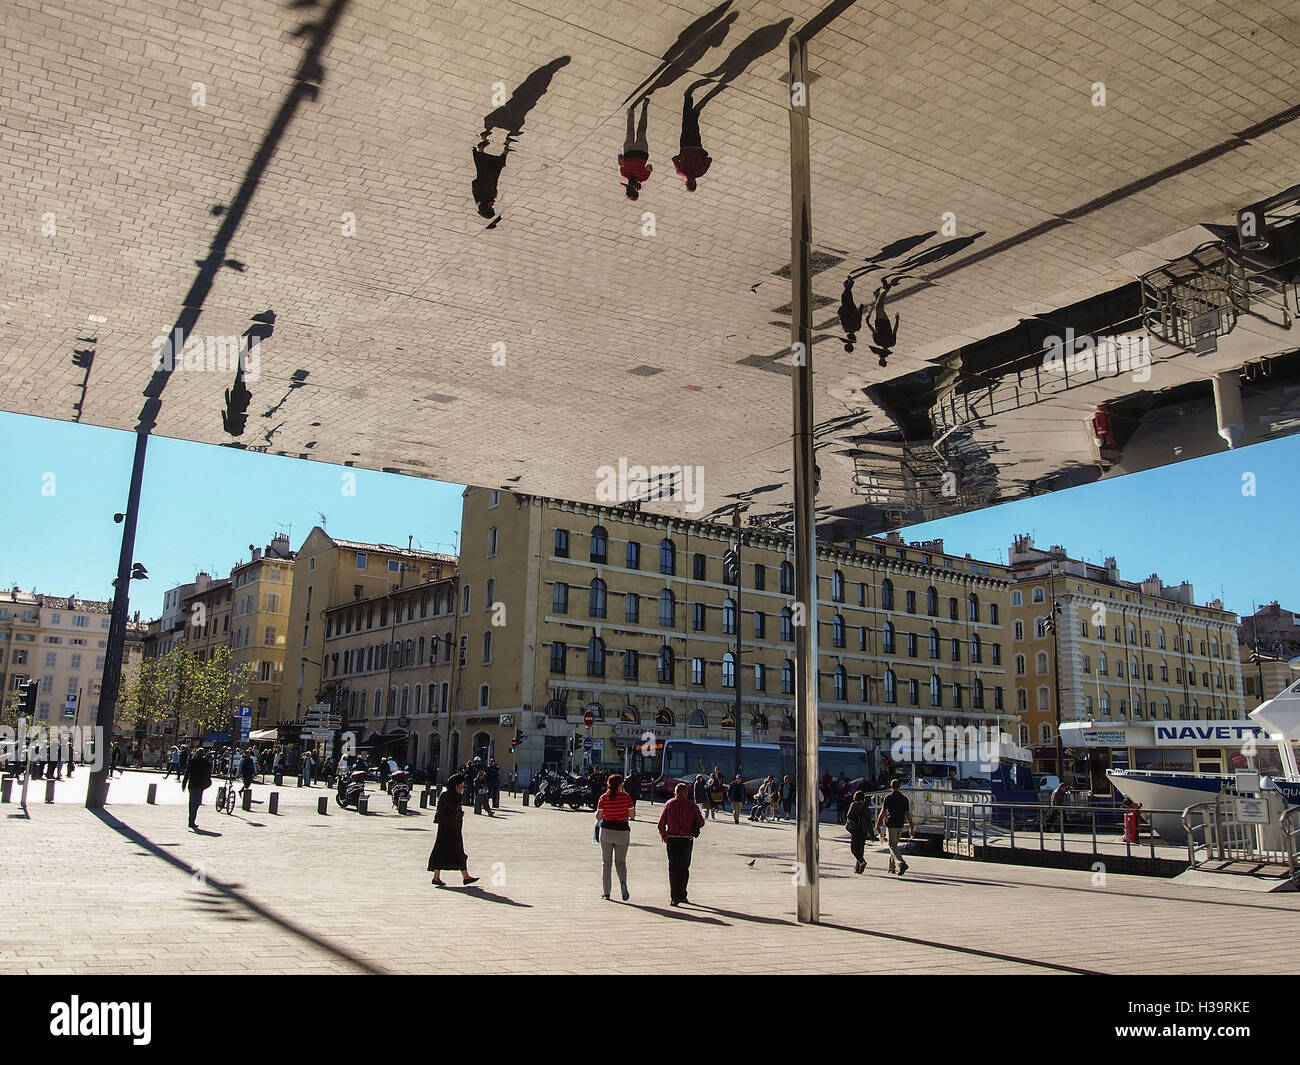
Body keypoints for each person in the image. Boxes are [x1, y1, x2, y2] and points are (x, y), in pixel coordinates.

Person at [657, 781, 704, 906]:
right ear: (687, 792)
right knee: (684, 868)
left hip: (672, 839)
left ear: (675, 793)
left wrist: (664, 835)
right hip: (686, 840)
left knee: (673, 868)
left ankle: (674, 897)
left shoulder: (669, 804)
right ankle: (682, 894)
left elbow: (661, 824)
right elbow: (701, 822)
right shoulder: (692, 805)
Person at [428, 773, 479, 887]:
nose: (461, 789)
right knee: (447, 851)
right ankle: (462, 877)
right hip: (447, 828)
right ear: (455, 786)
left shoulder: (450, 794)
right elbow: (452, 808)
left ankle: (463, 877)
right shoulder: (447, 794)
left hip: (452, 827)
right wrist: (459, 796)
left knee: (452, 851)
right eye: (460, 786)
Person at [596, 772, 636, 901]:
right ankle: (623, 883)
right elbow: (632, 815)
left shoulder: (603, 798)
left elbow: (598, 816)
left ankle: (607, 893)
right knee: (621, 862)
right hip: (622, 831)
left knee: (606, 863)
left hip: (607, 831)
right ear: (620, 785)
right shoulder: (626, 797)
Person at [672, 87, 711, 191]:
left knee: (694, 127)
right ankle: (688, 97)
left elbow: (709, 159)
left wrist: (700, 157)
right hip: (685, 145)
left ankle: (694, 113)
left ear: (695, 183)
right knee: (685, 122)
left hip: (696, 145)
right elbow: (674, 159)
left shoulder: (700, 172)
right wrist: (681, 156)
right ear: (686, 183)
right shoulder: (681, 172)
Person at [875, 779, 914, 875]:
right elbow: (908, 814)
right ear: (899, 787)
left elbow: (883, 811)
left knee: (892, 845)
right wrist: (911, 827)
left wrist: (878, 823)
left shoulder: (888, 797)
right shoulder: (904, 799)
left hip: (891, 824)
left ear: (891, 787)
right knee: (894, 846)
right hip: (900, 825)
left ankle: (901, 863)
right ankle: (891, 867)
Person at [618, 98, 652, 199]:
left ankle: (645, 107)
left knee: (642, 130)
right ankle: (631, 111)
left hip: (642, 152)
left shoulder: (643, 177)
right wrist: (621, 160)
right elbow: (621, 161)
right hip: (629, 151)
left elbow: (649, 166)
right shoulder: (624, 173)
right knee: (630, 131)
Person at [181, 745, 212, 830]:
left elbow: (187, 773)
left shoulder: (192, 761)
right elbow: (209, 774)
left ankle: (191, 820)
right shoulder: (206, 762)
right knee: (197, 802)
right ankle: (191, 820)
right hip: (200, 785)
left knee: (192, 802)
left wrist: (184, 783)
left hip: (193, 784)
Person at [845, 790, 872, 874]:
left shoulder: (854, 805)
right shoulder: (865, 807)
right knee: (860, 849)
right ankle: (858, 868)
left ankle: (861, 861)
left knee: (853, 849)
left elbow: (849, 816)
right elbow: (869, 821)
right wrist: (871, 834)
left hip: (856, 829)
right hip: (864, 830)